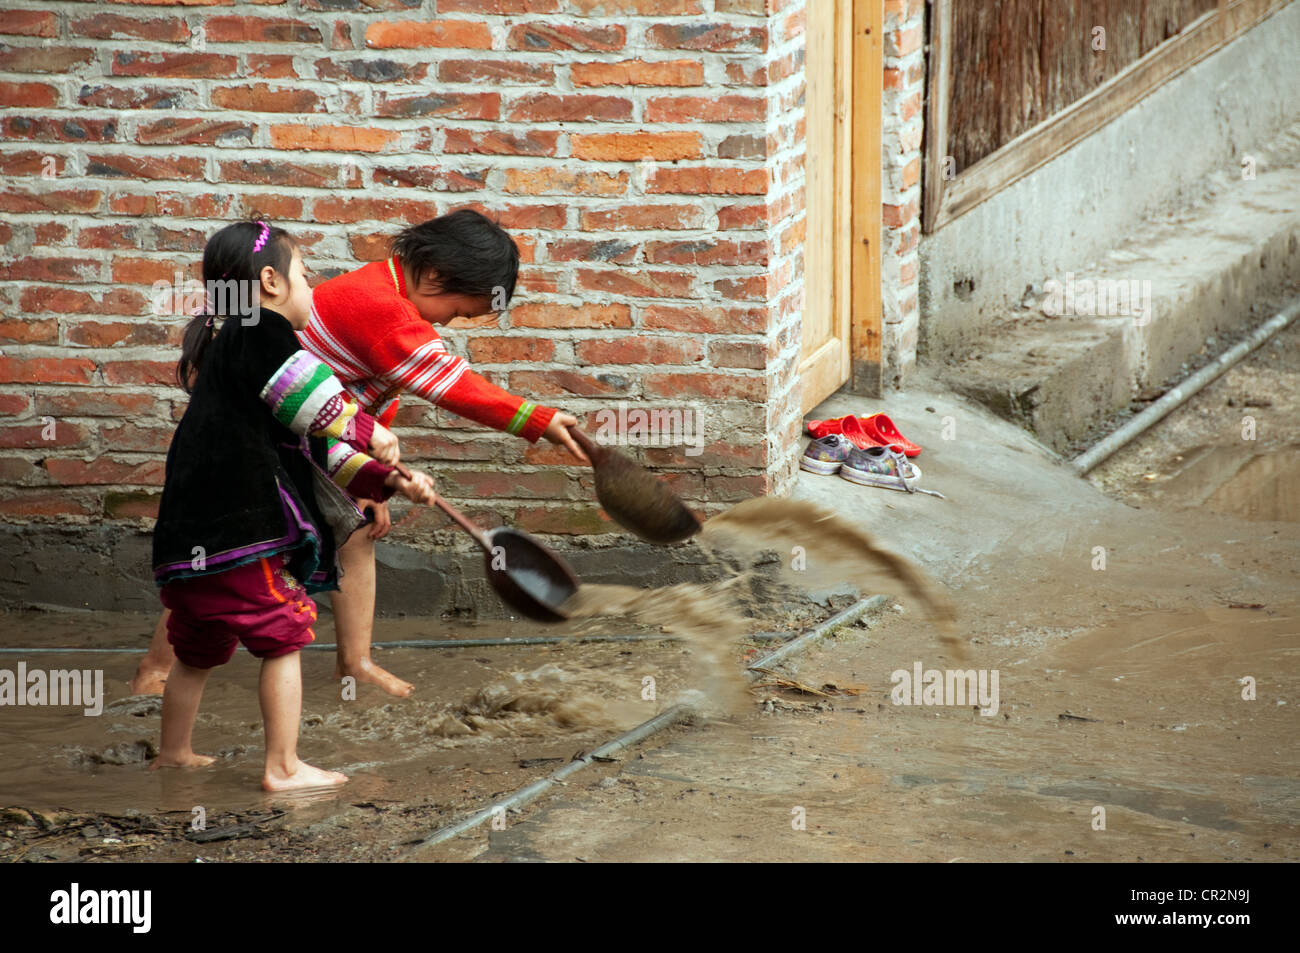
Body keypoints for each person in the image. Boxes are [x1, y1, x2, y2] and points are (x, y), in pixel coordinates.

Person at [131, 209, 588, 698]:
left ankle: (355, 663)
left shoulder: (388, 296)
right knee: (223, 556)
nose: (451, 322)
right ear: (434, 275)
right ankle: (157, 669)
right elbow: (444, 381)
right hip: (271, 434)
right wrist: (536, 419)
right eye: (457, 311)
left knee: (358, 534)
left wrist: (374, 482)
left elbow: (380, 393)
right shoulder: (378, 304)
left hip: (315, 431)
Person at [150, 219, 437, 791]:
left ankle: (174, 752)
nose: (313, 288)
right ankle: (283, 767)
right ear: (270, 283)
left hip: (189, 546)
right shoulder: (258, 331)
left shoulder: (234, 353)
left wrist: (388, 480)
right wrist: (368, 429)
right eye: (307, 275)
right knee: (285, 635)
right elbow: (316, 403)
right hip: (240, 537)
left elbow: (310, 450)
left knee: (196, 647)